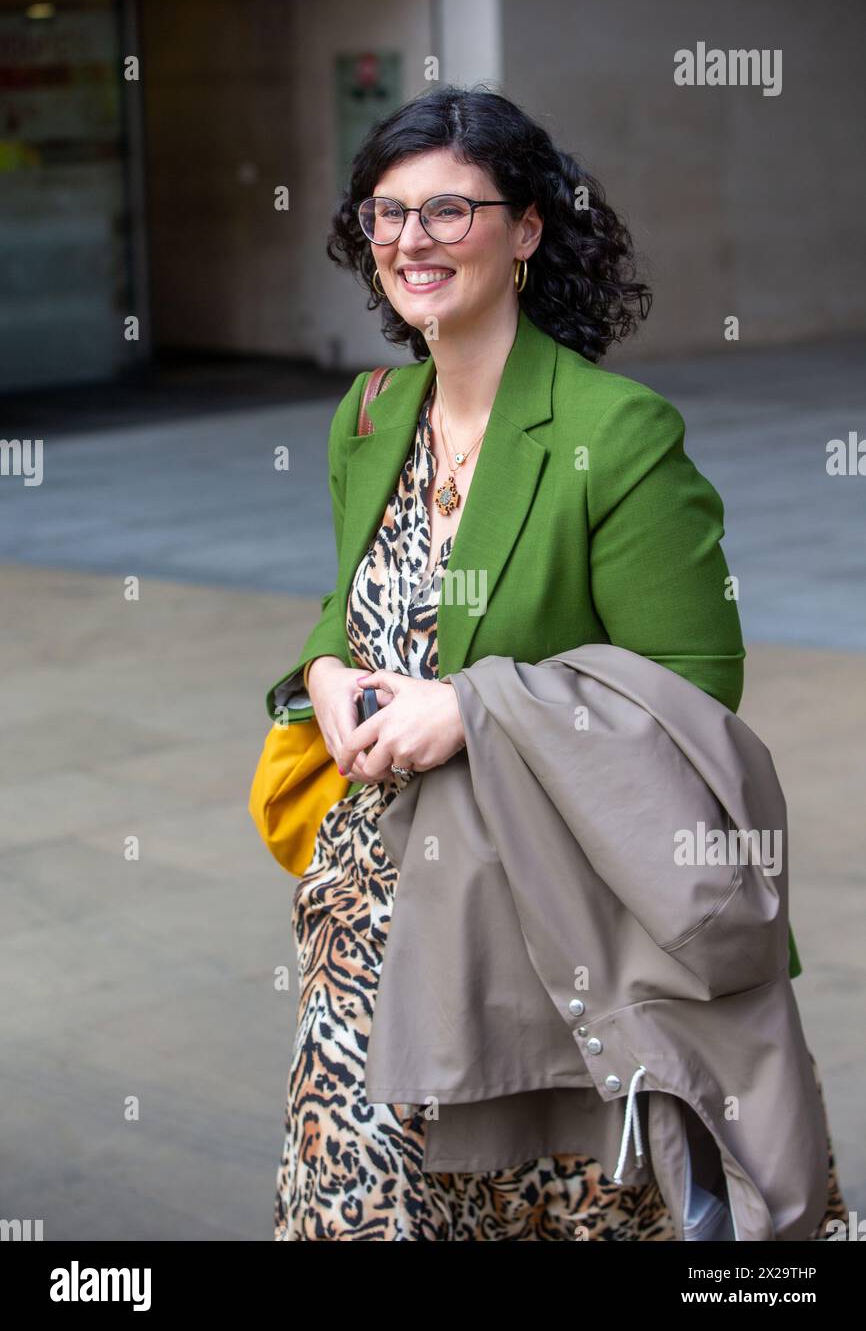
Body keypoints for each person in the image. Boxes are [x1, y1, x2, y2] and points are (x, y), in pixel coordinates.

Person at [270, 84, 847, 1241]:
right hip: (364, 911)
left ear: (527, 228)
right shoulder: (370, 414)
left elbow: (694, 685)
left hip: (537, 925)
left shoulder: (614, 431)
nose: (410, 242)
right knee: (349, 1212)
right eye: (385, 214)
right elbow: (356, 604)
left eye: (448, 210)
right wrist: (322, 672)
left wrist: (473, 709)